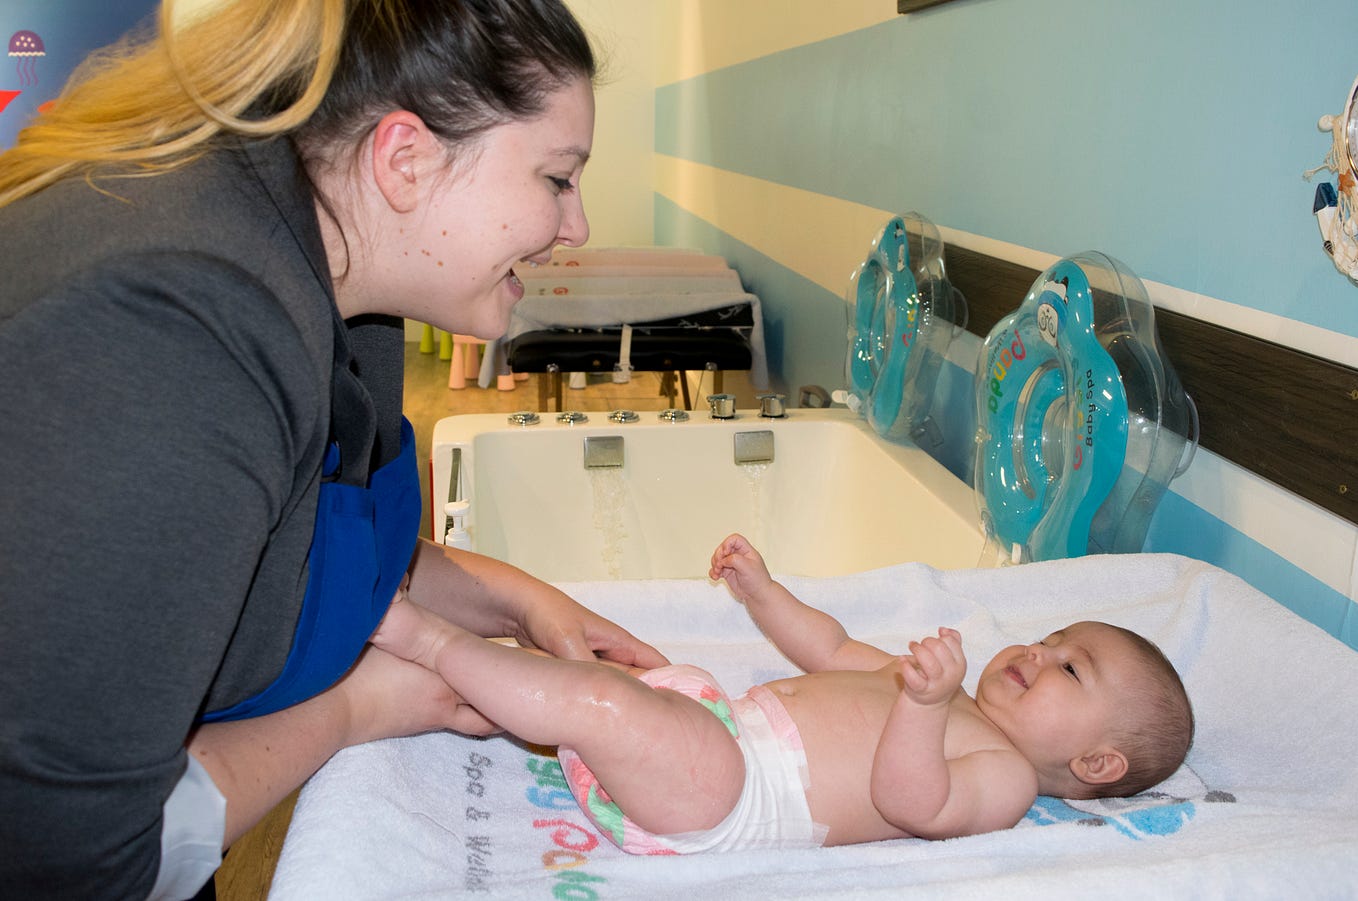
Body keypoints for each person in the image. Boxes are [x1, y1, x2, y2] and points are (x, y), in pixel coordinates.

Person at [0, 1, 667, 898]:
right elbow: (74, 856)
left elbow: (299, 540)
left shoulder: (343, 285)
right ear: (405, 159)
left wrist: (518, 602)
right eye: (557, 179)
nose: (575, 226)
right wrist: (354, 707)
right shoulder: (178, 338)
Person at [371, 533, 1195, 854]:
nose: (1039, 652)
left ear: (1095, 763)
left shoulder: (1004, 775)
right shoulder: (941, 693)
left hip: (730, 797)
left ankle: (429, 640)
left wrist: (921, 707)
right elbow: (828, 647)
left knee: (599, 703)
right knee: (594, 687)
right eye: (1052, 638)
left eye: (1071, 669)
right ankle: (453, 683)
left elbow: (912, 801)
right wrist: (765, 594)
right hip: (717, 726)